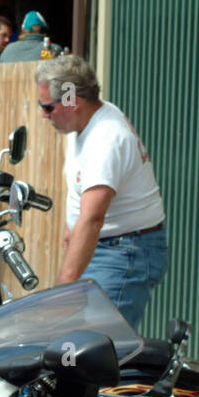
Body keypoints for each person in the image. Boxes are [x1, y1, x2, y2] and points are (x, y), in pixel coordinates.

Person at [36, 54, 167, 330]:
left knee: (96, 346)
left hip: (125, 252)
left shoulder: (106, 139)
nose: (43, 114)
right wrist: (71, 229)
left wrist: (63, 288)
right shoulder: (83, 123)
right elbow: (82, 191)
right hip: (109, 246)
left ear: (73, 101)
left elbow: (93, 218)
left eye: (47, 107)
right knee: (79, 342)